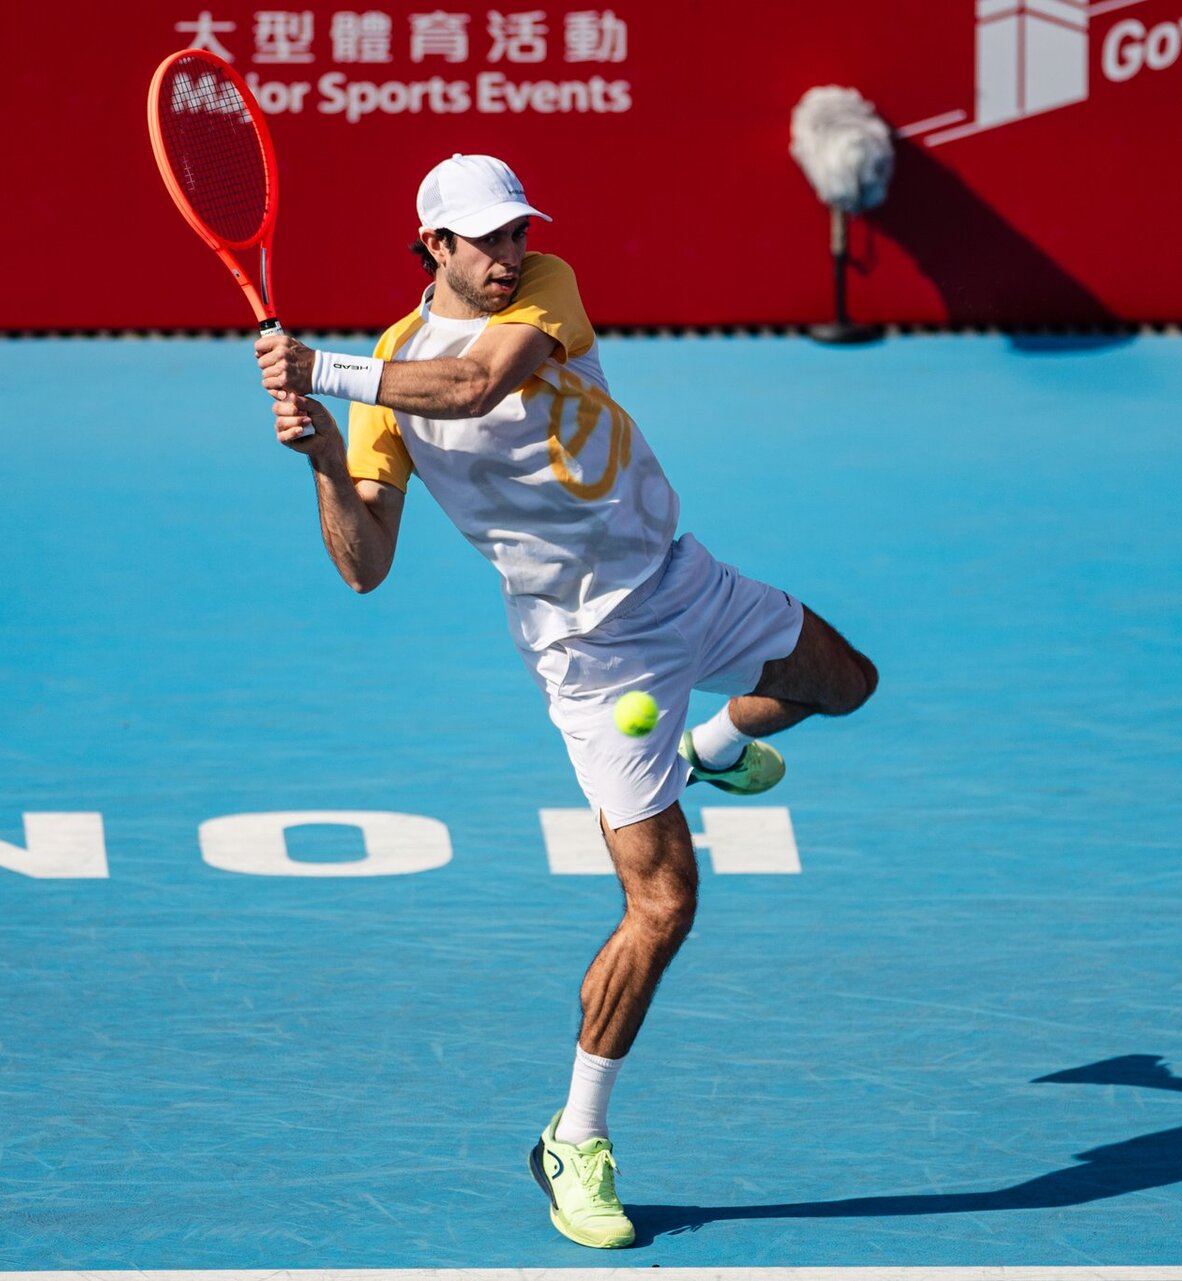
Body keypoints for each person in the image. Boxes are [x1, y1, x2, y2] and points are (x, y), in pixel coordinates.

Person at [253, 153, 877, 1249]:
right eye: (484, 239)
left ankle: (718, 745)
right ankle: (574, 1139)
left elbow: (478, 385)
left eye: (516, 231)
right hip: (594, 659)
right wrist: (317, 455)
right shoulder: (386, 385)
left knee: (847, 683)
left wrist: (323, 372)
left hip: (686, 580)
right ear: (433, 246)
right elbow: (364, 566)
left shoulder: (543, 289)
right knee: (665, 904)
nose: (508, 254)